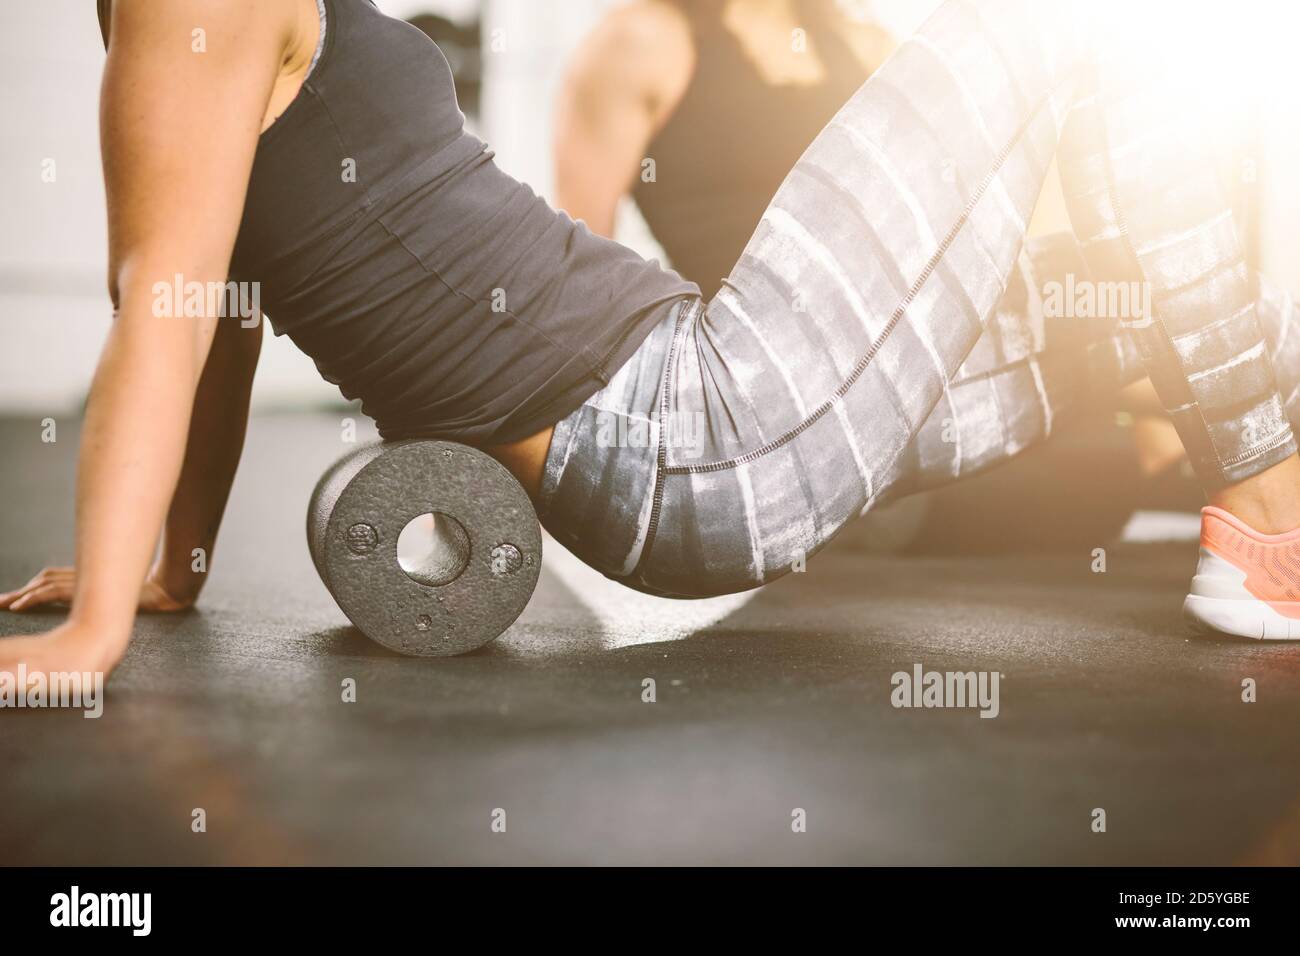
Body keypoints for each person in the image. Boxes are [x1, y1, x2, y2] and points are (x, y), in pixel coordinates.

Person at [4, 0, 1300, 689]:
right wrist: (104, 626)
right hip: (696, 425)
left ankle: (1271, 496)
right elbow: (171, 298)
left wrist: (171, 568)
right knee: (1067, 25)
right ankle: (1263, 507)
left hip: (718, 399)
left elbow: (219, 301)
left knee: (1136, 297)